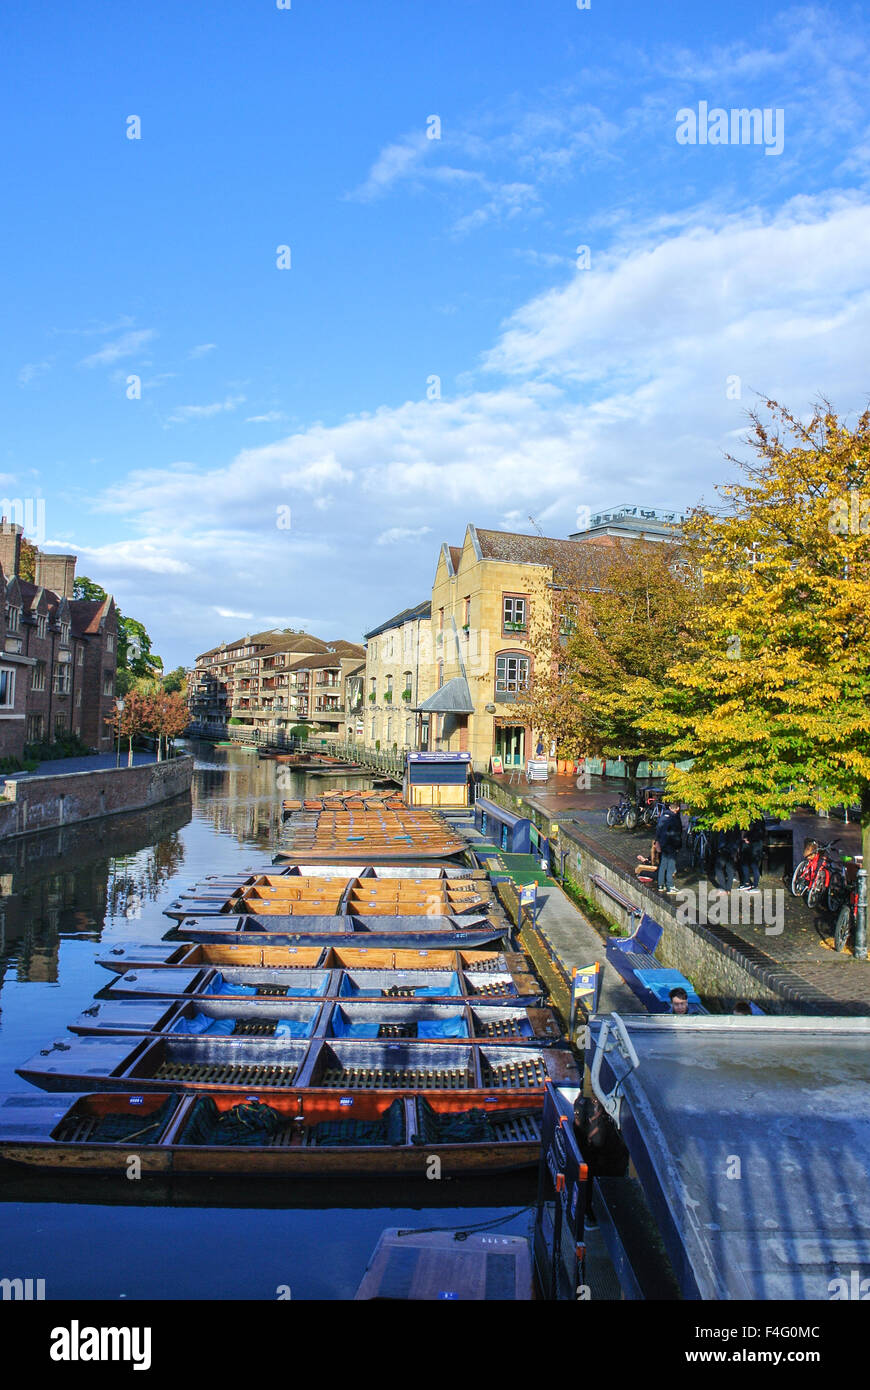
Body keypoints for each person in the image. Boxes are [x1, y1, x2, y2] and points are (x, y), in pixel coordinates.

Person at [572, 1094, 629, 1226]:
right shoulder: (596, 1118)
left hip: (594, 1159)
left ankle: (591, 1215)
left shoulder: (582, 1103)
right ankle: (594, 1216)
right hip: (602, 1164)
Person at [656, 802, 683, 893]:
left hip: (663, 843)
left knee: (663, 864)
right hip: (671, 844)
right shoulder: (675, 818)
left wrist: (658, 842)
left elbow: (658, 830)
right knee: (671, 865)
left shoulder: (663, 816)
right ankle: (670, 886)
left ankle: (660, 885)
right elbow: (677, 833)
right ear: (677, 808)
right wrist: (678, 845)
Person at [711, 825, 742, 891]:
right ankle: (728, 888)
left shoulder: (723, 824)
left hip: (724, 849)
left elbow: (721, 838)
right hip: (732, 849)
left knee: (719, 868)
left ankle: (723, 887)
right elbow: (738, 838)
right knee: (730, 869)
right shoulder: (736, 825)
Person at [740, 818, 766, 891]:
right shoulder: (758, 821)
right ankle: (748, 883)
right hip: (752, 846)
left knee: (752, 865)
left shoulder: (756, 822)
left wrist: (748, 839)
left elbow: (758, 833)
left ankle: (753, 884)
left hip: (753, 847)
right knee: (748, 864)